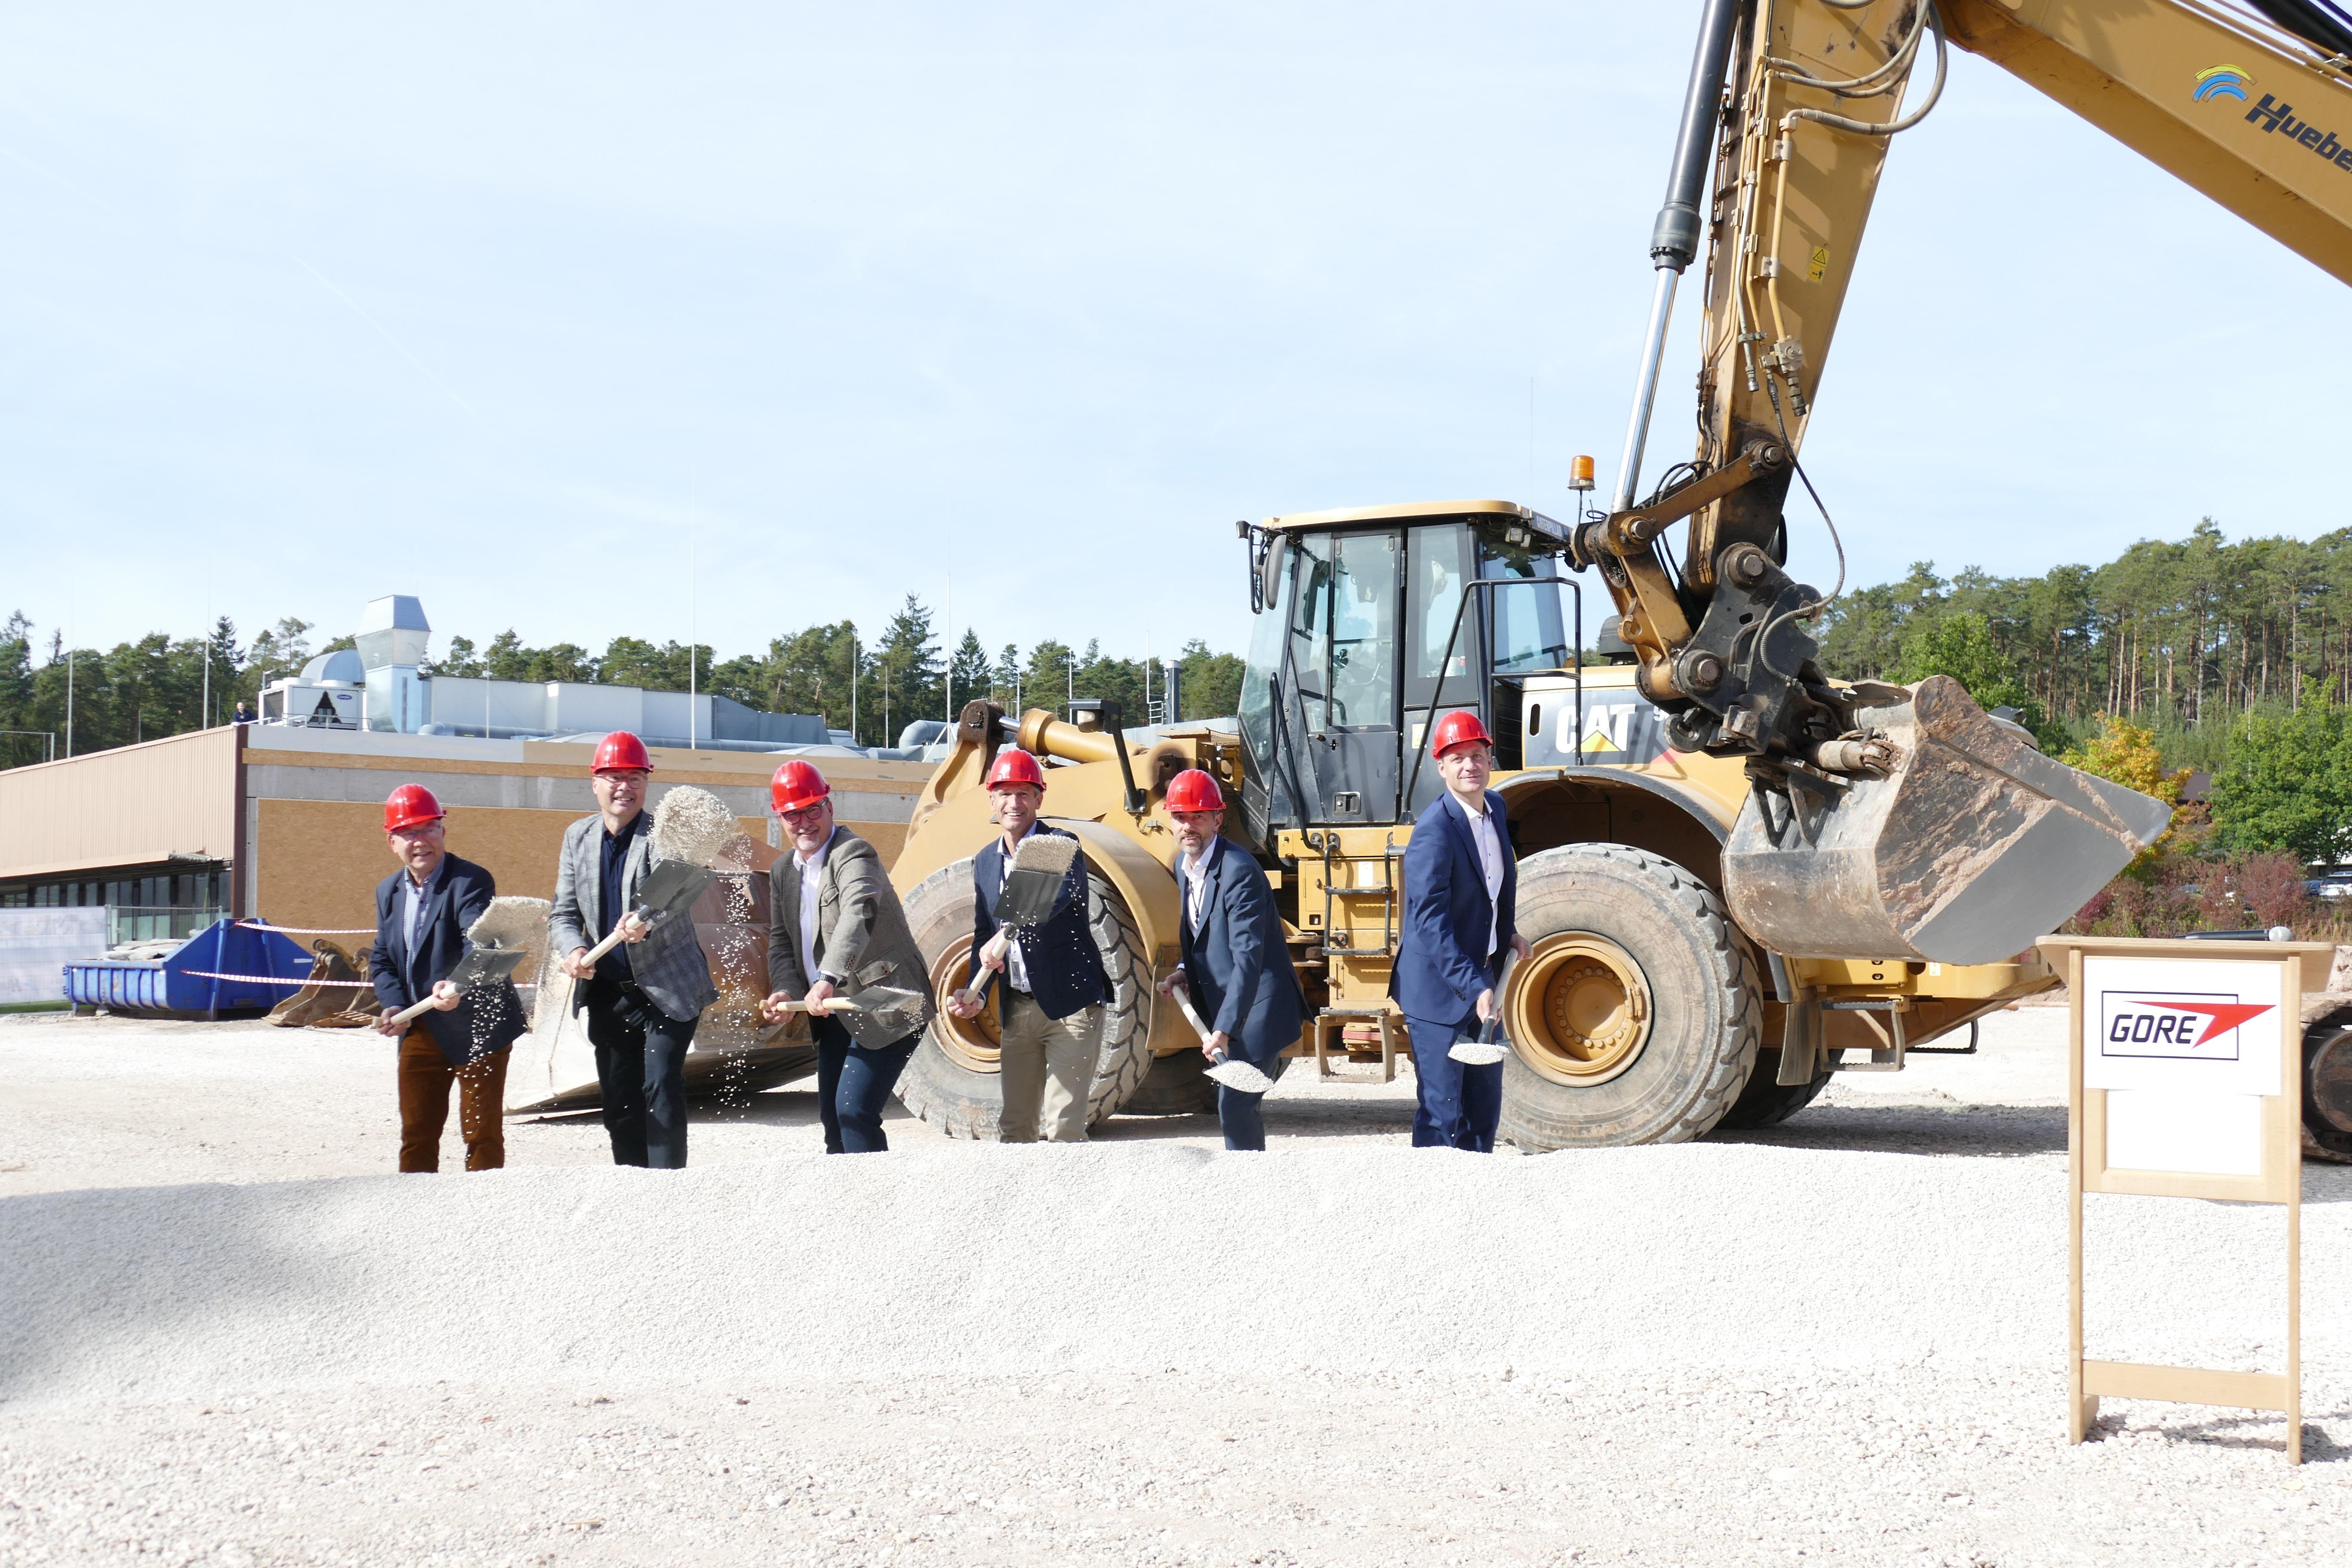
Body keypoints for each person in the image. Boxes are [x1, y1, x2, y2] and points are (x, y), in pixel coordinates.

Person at [547, 731, 716, 1169]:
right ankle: (631, 1189)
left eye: (637, 777)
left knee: (660, 1089)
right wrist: (573, 950)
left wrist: (647, 919)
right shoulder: (577, 838)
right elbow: (563, 914)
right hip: (609, 992)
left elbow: (676, 893)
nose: (626, 787)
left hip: (667, 988)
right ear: (595, 783)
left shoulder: (663, 835)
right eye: (615, 777)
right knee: (620, 1103)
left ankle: (668, 1190)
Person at [760, 760, 934, 1153]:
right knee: (833, 1120)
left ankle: (874, 1205)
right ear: (780, 817)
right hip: (840, 1010)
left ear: (830, 806)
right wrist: (785, 991)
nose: (804, 822)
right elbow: (781, 942)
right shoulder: (783, 871)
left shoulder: (854, 852)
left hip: (893, 1001)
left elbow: (859, 912)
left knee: (854, 1110)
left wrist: (827, 977)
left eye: (812, 809)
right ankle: (844, 1205)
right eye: (792, 814)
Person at [943, 748, 1109, 1142]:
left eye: (1023, 793)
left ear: (1039, 798)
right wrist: (978, 992)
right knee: (1015, 1129)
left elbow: (1049, 902)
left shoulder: (1057, 844)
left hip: (1070, 1005)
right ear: (991, 799)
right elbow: (985, 934)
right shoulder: (985, 861)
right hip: (1018, 1009)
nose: (1013, 803)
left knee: (1064, 1130)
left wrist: (1007, 932)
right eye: (1004, 793)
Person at [1391, 710, 1532, 1152]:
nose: (1469, 765)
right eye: (1458, 758)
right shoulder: (1434, 832)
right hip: (1437, 990)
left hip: (1480, 977)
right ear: (1441, 766)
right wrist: (1473, 985)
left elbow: (1495, 885)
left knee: (1484, 1105)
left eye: (1477, 755)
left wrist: (1505, 933)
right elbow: (1429, 921)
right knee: (1441, 1110)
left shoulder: (1496, 809)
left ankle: (1479, 1196)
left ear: (1490, 759)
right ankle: (1433, 1200)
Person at [369, 783, 526, 1173]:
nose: (420, 841)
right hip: (419, 1027)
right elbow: (383, 958)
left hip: (478, 1026)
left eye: (428, 829)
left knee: (481, 1135)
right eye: (408, 833)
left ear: (443, 831)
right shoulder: (388, 892)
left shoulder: (470, 881)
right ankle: (417, 1215)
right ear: (392, 841)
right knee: (417, 1135)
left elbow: (479, 940)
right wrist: (394, 1005)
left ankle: (482, 1212)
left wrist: (458, 983)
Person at [1154, 769, 1301, 1151]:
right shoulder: (1184, 868)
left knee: (1235, 1103)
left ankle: (1248, 1185)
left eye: (1198, 817)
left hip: (1258, 1006)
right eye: (1180, 817)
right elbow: (1204, 935)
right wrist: (1185, 971)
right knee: (1234, 1102)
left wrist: (1224, 1027)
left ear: (1218, 819)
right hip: (1233, 1004)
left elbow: (1248, 957)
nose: (1189, 826)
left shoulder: (1238, 872)